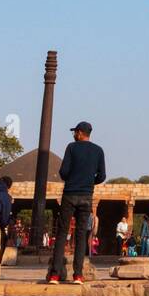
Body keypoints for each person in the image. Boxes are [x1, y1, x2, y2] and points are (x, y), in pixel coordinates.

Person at [47, 121, 107, 284]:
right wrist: (88, 181)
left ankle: (55, 275)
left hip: (70, 195)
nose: (74, 135)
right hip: (86, 196)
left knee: (61, 234)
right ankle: (78, 275)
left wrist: (73, 179)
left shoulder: (71, 148)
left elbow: (64, 172)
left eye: (75, 132)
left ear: (80, 133)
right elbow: (102, 176)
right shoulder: (98, 151)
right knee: (81, 235)